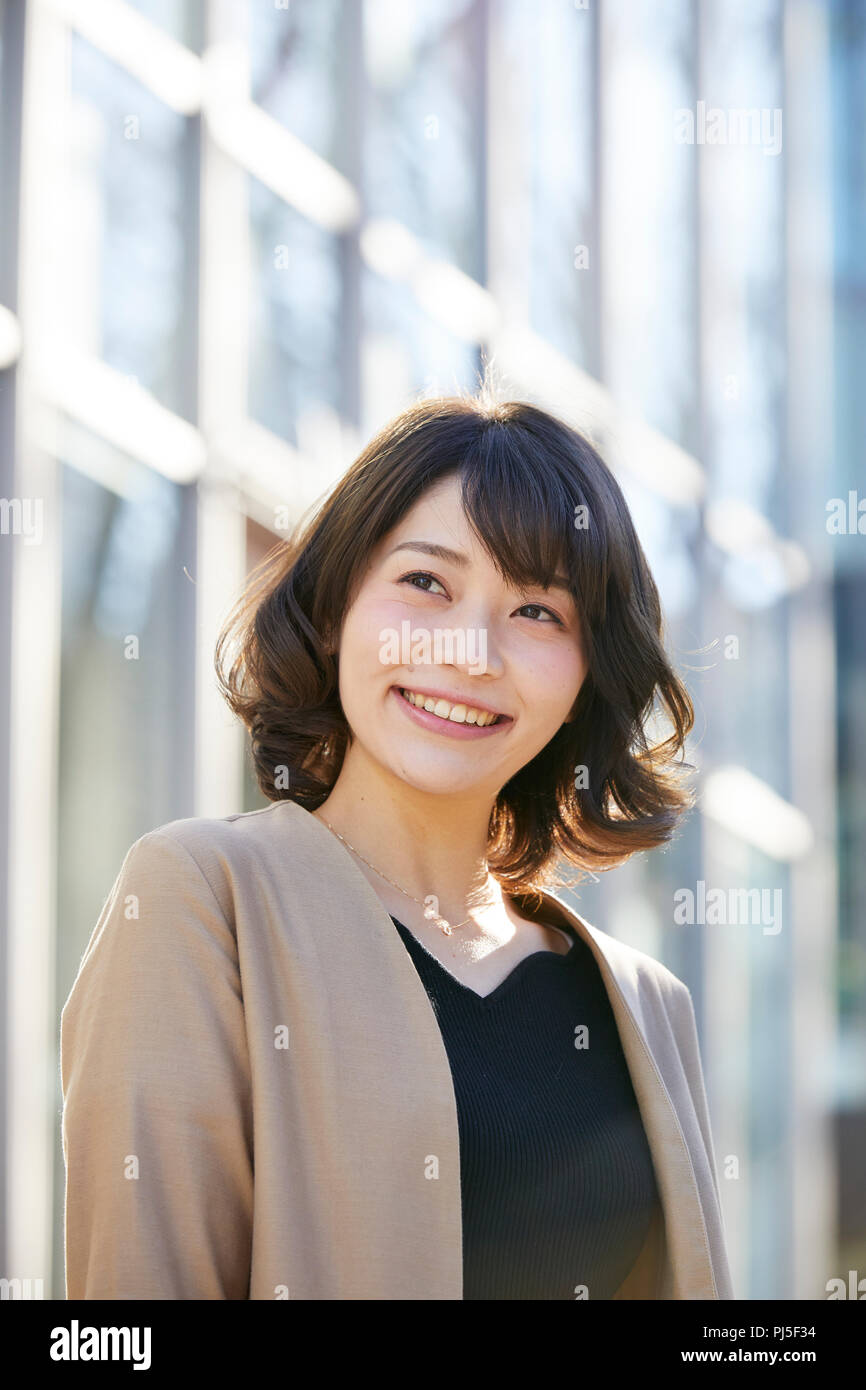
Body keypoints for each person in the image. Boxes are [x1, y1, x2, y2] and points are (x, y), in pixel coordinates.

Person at [60, 382, 734, 1299]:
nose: (470, 652)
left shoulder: (646, 1004)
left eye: (538, 610)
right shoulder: (204, 900)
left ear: (588, 668)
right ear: (339, 606)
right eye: (426, 582)